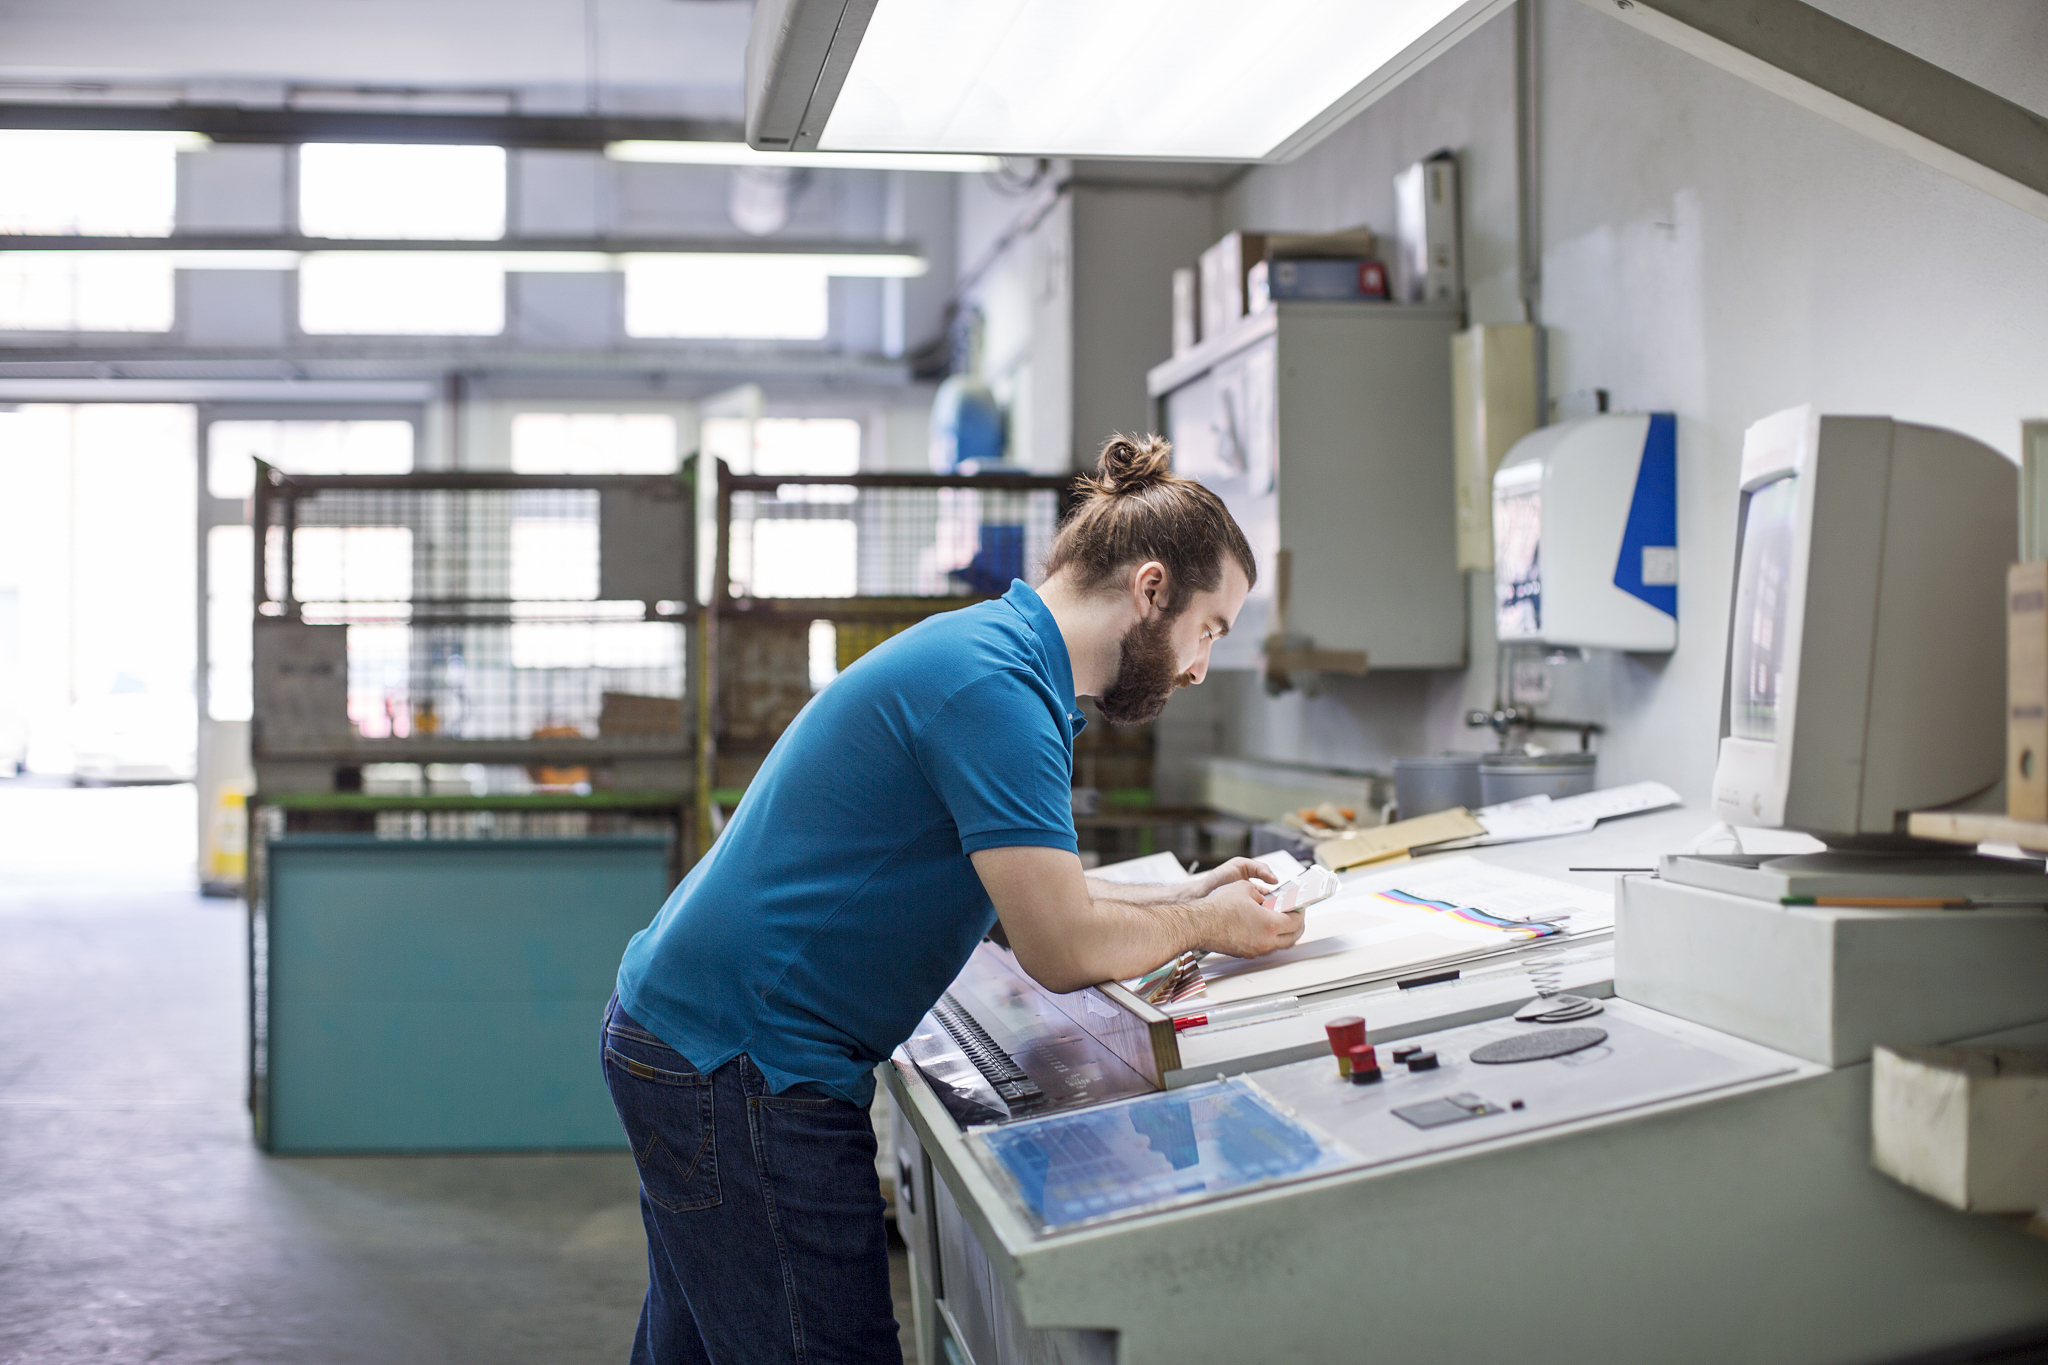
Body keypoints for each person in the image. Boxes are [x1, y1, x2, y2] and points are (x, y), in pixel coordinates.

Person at [602, 433, 1303, 1364]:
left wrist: (1187, 892)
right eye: (1209, 628)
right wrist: (1211, 924)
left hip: (689, 1031)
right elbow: (1056, 942)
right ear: (1150, 588)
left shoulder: (998, 656)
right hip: (742, 1059)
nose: (1198, 667)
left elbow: (1033, 889)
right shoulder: (998, 691)